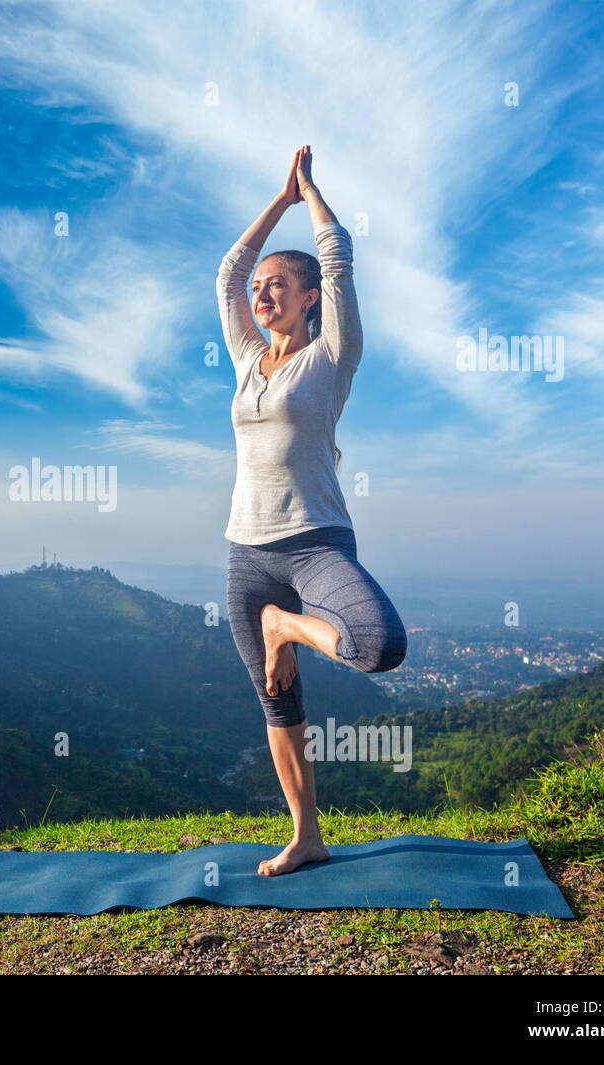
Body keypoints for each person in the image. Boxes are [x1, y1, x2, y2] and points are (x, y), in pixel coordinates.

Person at [217, 145, 407, 876]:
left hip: (316, 544)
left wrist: (311, 195)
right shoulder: (245, 360)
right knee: (278, 702)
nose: (260, 293)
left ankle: (284, 626)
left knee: (379, 642)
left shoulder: (331, 356)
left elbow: (338, 259)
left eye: (277, 286)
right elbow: (228, 272)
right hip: (245, 552)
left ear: (307, 298)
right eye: (260, 288)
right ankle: (307, 835)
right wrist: (276, 201)